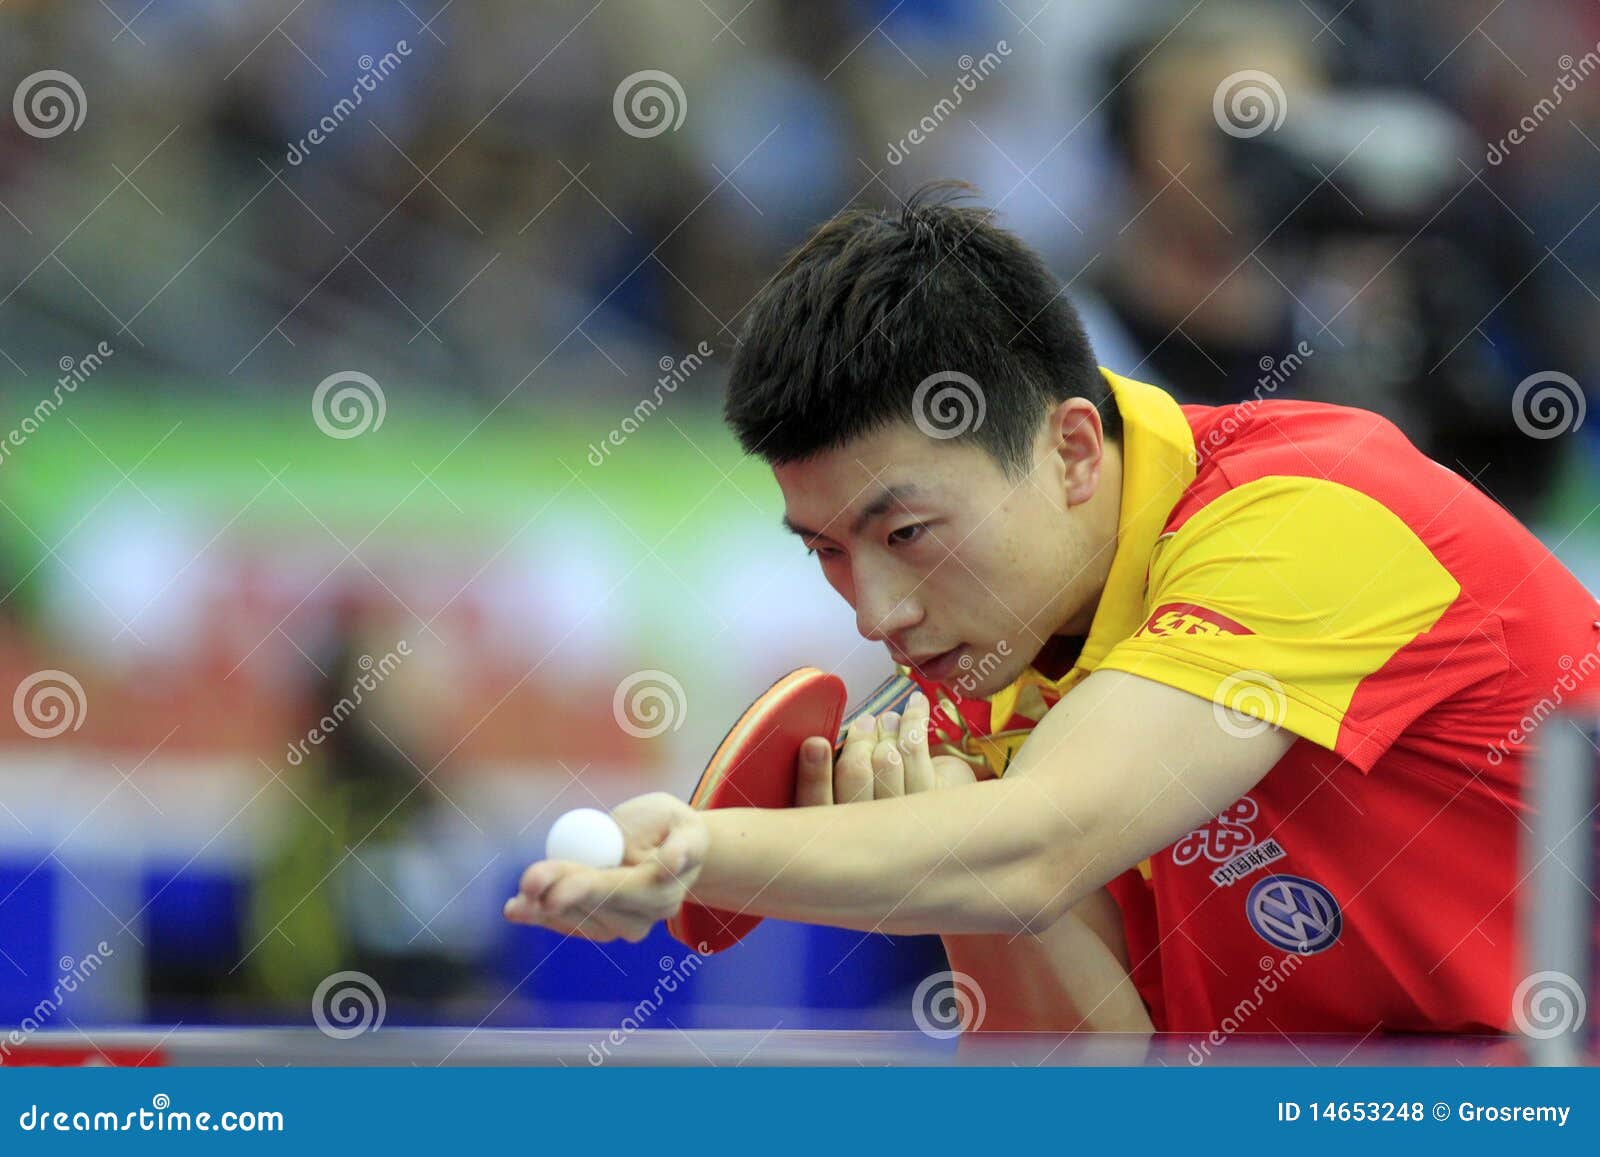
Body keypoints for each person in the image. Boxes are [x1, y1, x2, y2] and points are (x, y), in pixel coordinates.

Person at [504, 183, 1599, 1036]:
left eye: (907, 533)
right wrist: (939, 869)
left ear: (1071, 447)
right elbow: (1083, 1076)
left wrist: (704, 844)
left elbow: (1039, 844)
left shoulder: (1311, 519)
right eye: (827, 551)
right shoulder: (981, 666)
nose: (875, 611)